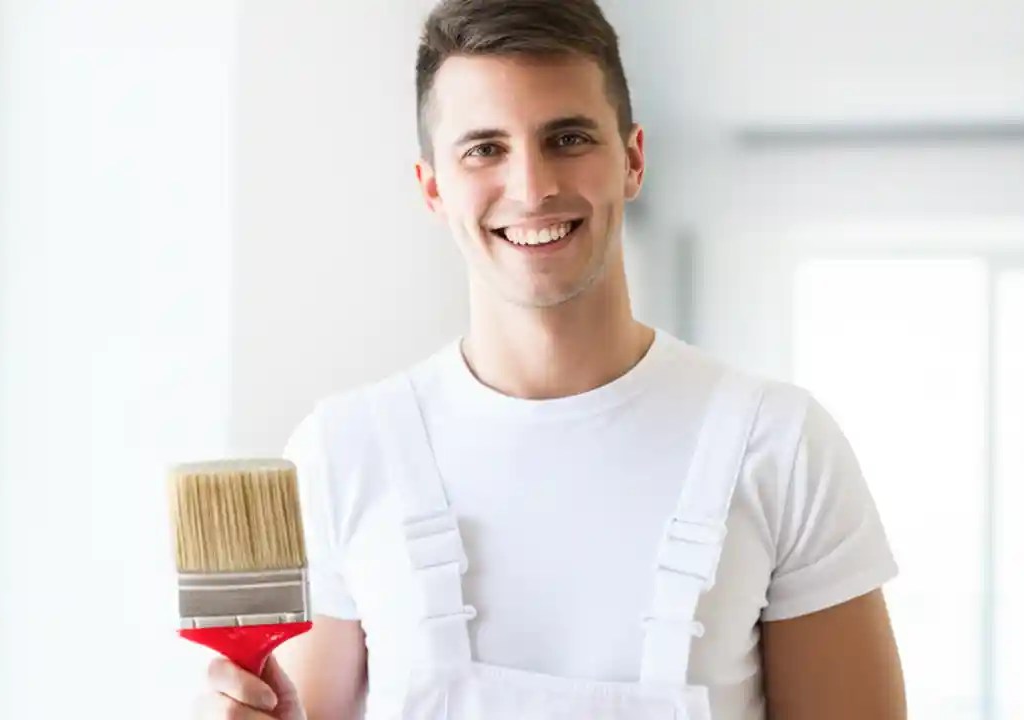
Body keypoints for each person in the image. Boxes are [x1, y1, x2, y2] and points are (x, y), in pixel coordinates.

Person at [195, 0, 905, 718]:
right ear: (433, 187)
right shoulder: (342, 451)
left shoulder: (779, 445)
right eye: (484, 149)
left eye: (568, 138)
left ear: (632, 160)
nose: (532, 189)